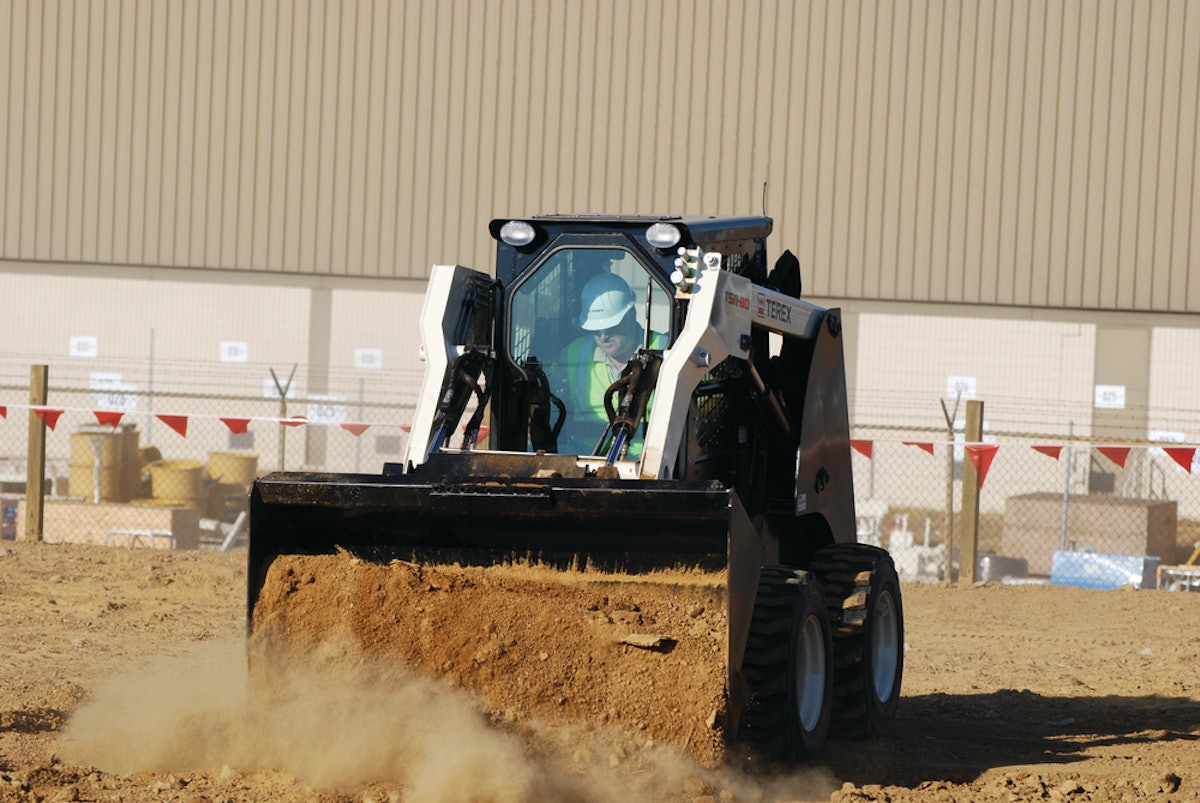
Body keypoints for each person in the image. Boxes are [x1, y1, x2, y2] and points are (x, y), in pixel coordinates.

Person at [556, 272, 665, 454]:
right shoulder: (574, 354)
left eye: (611, 327)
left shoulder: (667, 349)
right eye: (596, 330)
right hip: (584, 457)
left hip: (650, 461)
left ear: (631, 315)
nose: (603, 336)